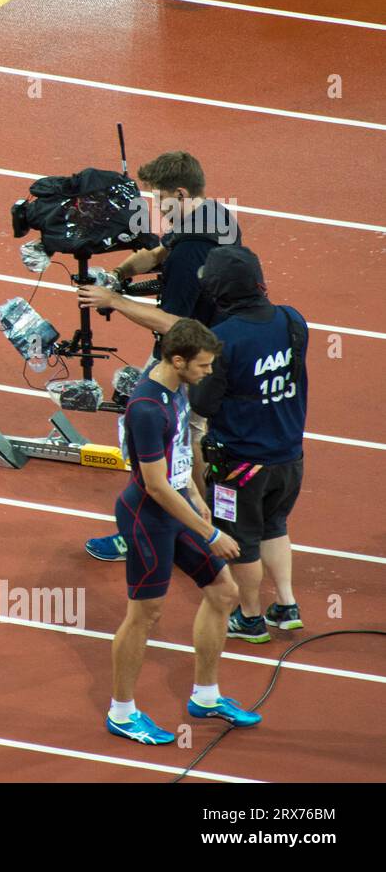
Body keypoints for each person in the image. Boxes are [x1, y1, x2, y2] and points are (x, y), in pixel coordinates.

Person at [77, 151, 242, 562]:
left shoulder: (190, 253)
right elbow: (158, 255)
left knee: (156, 443)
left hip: (189, 358)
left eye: (159, 198)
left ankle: (161, 533)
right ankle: (210, 525)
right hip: (217, 346)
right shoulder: (215, 216)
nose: (156, 207)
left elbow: (175, 325)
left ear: (181, 193)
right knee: (192, 439)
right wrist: (119, 273)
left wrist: (112, 299)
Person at [104, 320, 261, 744]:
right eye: (204, 365)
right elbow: (154, 484)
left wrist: (197, 496)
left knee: (223, 593)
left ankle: (206, 697)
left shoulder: (174, 388)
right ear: (178, 360)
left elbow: (177, 458)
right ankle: (121, 711)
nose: (209, 372)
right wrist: (210, 534)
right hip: (147, 517)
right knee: (145, 615)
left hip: (177, 507)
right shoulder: (146, 408)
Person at [189, 247, 309, 644]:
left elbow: (204, 403)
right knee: (275, 524)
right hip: (290, 457)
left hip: (241, 463)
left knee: (242, 539)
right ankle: (287, 606)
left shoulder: (221, 340)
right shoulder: (294, 321)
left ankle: (251, 617)